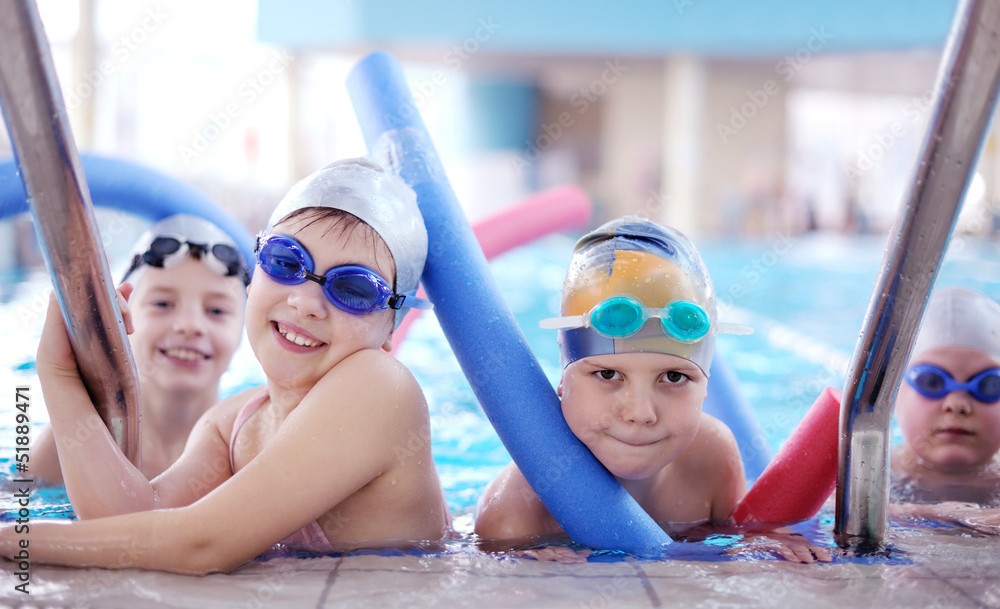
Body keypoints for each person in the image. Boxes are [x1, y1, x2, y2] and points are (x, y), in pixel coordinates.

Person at [1, 158, 450, 574]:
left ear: (392, 326)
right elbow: (131, 522)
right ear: (257, 270)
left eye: (353, 288)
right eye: (286, 261)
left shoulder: (380, 387)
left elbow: (201, 545)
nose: (305, 301)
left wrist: (15, 542)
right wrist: (58, 375)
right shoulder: (231, 423)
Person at [474, 216, 830, 564]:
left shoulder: (712, 456)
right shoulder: (516, 512)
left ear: (706, 386)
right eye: (608, 373)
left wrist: (753, 540)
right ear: (563, 379)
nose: (641, 412)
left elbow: (730, 544)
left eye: (674, 377)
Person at [29, 215, 249, 482]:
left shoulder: (248, 446)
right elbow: (16, 511)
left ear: (243, 330)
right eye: (163, 304)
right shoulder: (79, 436)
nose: (190, 326)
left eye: (216, 310)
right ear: (121, 315)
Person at [891, 287, 1000, 532]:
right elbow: (825, 507)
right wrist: (941, 514)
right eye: (932, 382)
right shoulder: (863, 473)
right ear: (894, 393)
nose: (957, 404)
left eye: (989, 384)